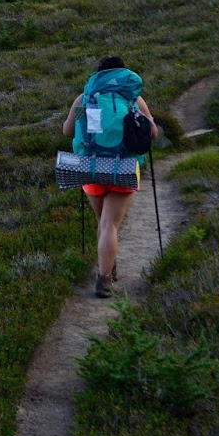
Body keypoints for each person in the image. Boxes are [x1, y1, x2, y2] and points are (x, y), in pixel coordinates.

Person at [62, 55, 157, 298]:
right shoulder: (132, 98)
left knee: (103, 222)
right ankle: (104, 280)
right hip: (123, 167)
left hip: (90, 168)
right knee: (110, 224)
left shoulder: (85, 98)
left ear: (99, 74)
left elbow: (67, 130)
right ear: (123, 74)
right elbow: (152, 133)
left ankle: (109, 268)